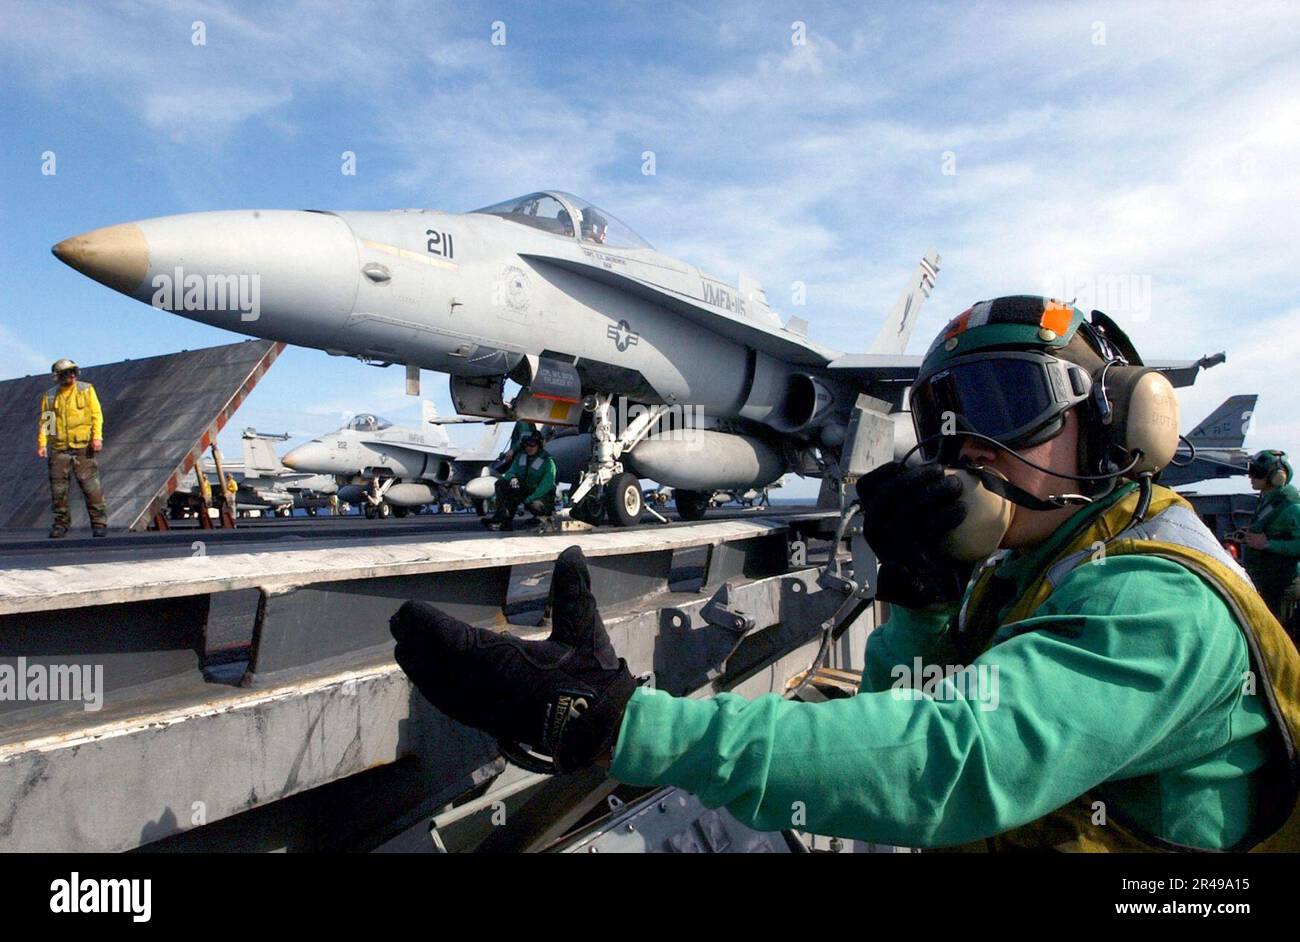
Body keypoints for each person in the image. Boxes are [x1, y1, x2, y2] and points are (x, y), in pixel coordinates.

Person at [391, 297, 1300, 852]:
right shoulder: (1040, 558)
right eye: (941, 415)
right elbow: (922, 696)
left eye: (1008, 404)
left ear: (1114, 426)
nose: (967, 443)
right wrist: (920, 598)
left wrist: (629, 724)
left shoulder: (1159, 599)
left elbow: (955, 762)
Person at [37, 358, 108, 538]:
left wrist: (97, 437)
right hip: (60, 449)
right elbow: (47, 421)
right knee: (58, 491)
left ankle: (99, 523)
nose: (72, 375)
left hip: (83, 447)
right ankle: (61, 524)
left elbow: (96, 415)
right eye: (68, 372)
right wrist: (42, 443)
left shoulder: (86, 390)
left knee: (91, 488)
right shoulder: (50, 396)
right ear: (58, 376)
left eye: (73, 372)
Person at [1241, 449, 1300, 634]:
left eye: (1257, 473)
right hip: (1267, 581)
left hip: (1283, 585)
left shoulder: (1292, 507)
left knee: (1277, 637)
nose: (1251, 477)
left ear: (1276, 477)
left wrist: (1267, 544)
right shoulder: (1269, 501)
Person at [483, 432, 556, 531]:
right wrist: (512, 478)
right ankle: (504, 520)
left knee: (536, 505)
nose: (528, 448)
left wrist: (530, 498)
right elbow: (510, 472)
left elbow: (546, 484)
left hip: (540, 495)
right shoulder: (521, 457)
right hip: (523, 491)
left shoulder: (548, 461)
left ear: (539, 444)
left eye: (532, 444)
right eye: (526, 445)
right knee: (501, 484)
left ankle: (545, 519)